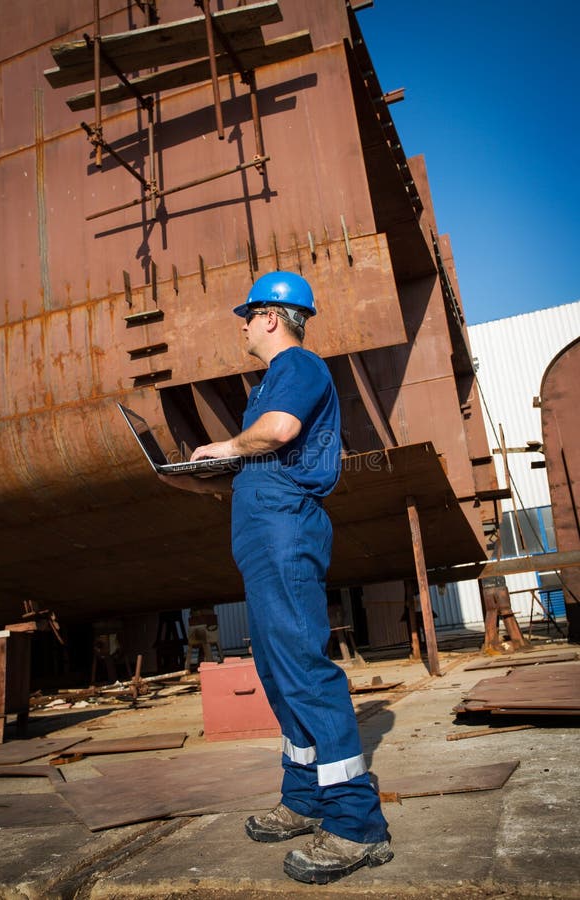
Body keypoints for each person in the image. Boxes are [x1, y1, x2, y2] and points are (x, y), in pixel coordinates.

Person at [189, 271, 392, 884]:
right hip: (263, 531)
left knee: (304, 667)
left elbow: (278, 433)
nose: (244, 326)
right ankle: (305, 798)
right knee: (279, 673)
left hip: (285, 527)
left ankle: (357, 824)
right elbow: (263, 445)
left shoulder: (298, 366)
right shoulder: (272, 381)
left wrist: (225, 447)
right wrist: (198, 466)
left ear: (272, 317)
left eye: (248, 316)